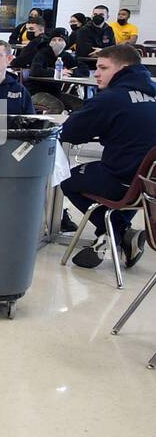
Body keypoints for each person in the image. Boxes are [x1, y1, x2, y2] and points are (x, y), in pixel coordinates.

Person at [60, 44, 156, 270]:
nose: (96, 74)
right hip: (149, 185)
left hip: (122, 182)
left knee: (66, 178)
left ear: (123, 68)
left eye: (103, 67)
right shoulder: (153, 92)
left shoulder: (111, 98)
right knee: (126, 179)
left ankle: (114, 232)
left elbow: (71, 132)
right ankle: (122, 233)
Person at [28, 28, 83, 113]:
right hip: (36, 92)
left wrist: (71, 72)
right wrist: (57, 72)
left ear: (66, 43)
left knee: (80, 104)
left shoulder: (65, 55)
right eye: (54, 39)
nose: (57, 42)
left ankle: (71, 125)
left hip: (55, 92)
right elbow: (35, 71)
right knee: (56, 106)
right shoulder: (41, 53)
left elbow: (83, 69)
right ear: (49, 42)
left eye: (60, 40)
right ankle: (48, 126)